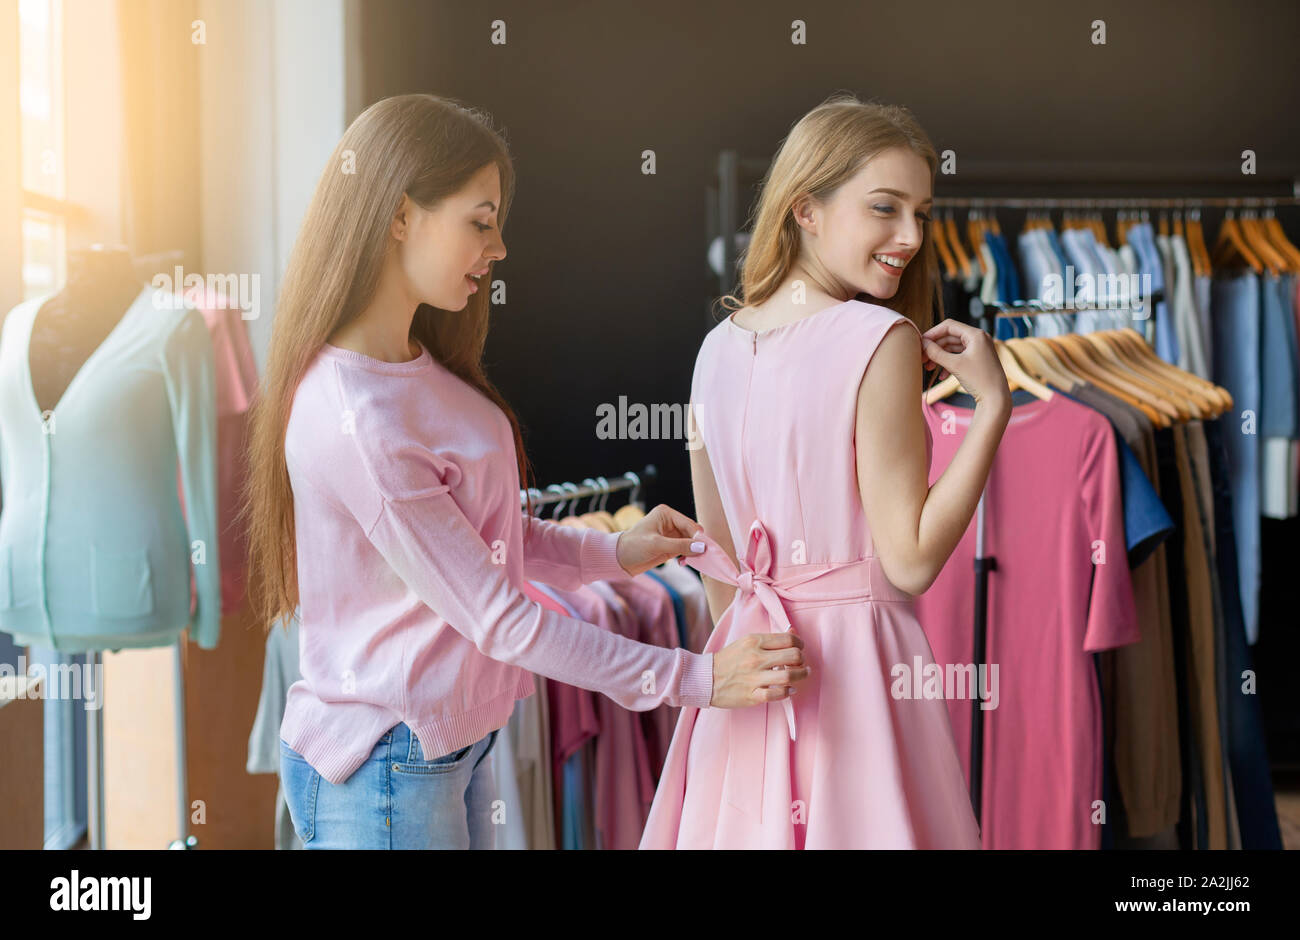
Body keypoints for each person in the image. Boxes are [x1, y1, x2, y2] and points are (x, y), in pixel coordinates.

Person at [239, 94, 808, 849]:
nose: (499, 247)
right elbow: (500, 618)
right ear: (400, 214)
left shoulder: (418, 368)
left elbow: (489, 540)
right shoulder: (353, 418)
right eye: (480, 221)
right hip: (386, 768)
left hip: (450, 751)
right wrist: (698, 681)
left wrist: (616, 552)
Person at [639, 95, 1012, 848]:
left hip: (752, 665)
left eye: (921, 212)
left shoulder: (716, 348)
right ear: (805, 210)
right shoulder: (879, 337)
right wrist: (994, 403)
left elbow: (718, 563)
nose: (909, 236)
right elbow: (908, 562)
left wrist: (757, 644)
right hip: (860, 676)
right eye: (884, 207)